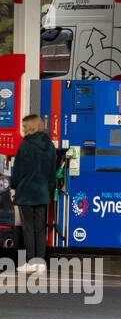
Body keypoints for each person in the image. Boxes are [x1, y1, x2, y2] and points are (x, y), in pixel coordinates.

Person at [10, 114, 57, 272]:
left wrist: (14, 186)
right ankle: (40, 262)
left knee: (28, 228)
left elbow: (17, 171)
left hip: (27, 193)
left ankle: (31, 262)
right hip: (42, 192)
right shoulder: (49, 145)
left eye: (24, 126)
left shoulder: (25, 145)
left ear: (30, 126)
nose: (22, 129)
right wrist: (48, 189)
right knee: (40, 228)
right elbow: (52, 172)